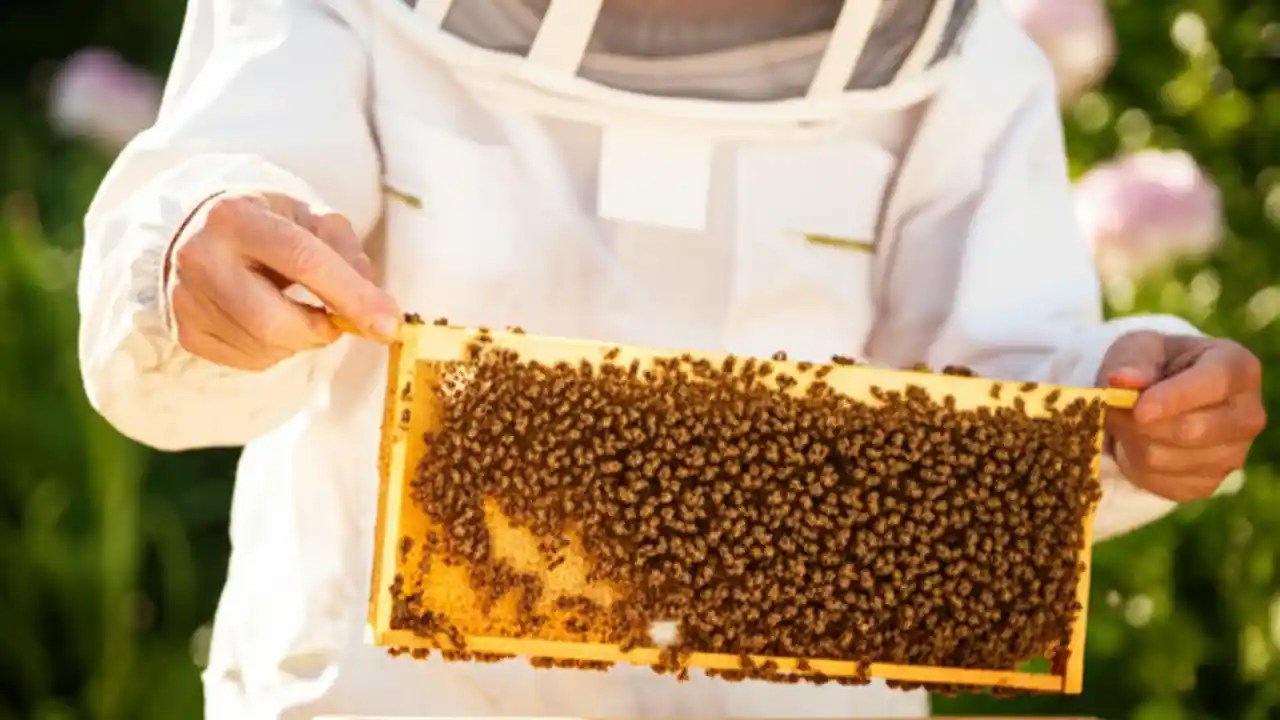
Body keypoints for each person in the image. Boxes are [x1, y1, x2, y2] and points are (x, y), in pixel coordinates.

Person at [77, 0, 1266, 717]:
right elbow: (216, 218)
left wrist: (1124, 417)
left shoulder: (960, 60)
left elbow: (1000, 385)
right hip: (388, 696)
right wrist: (196, 264)